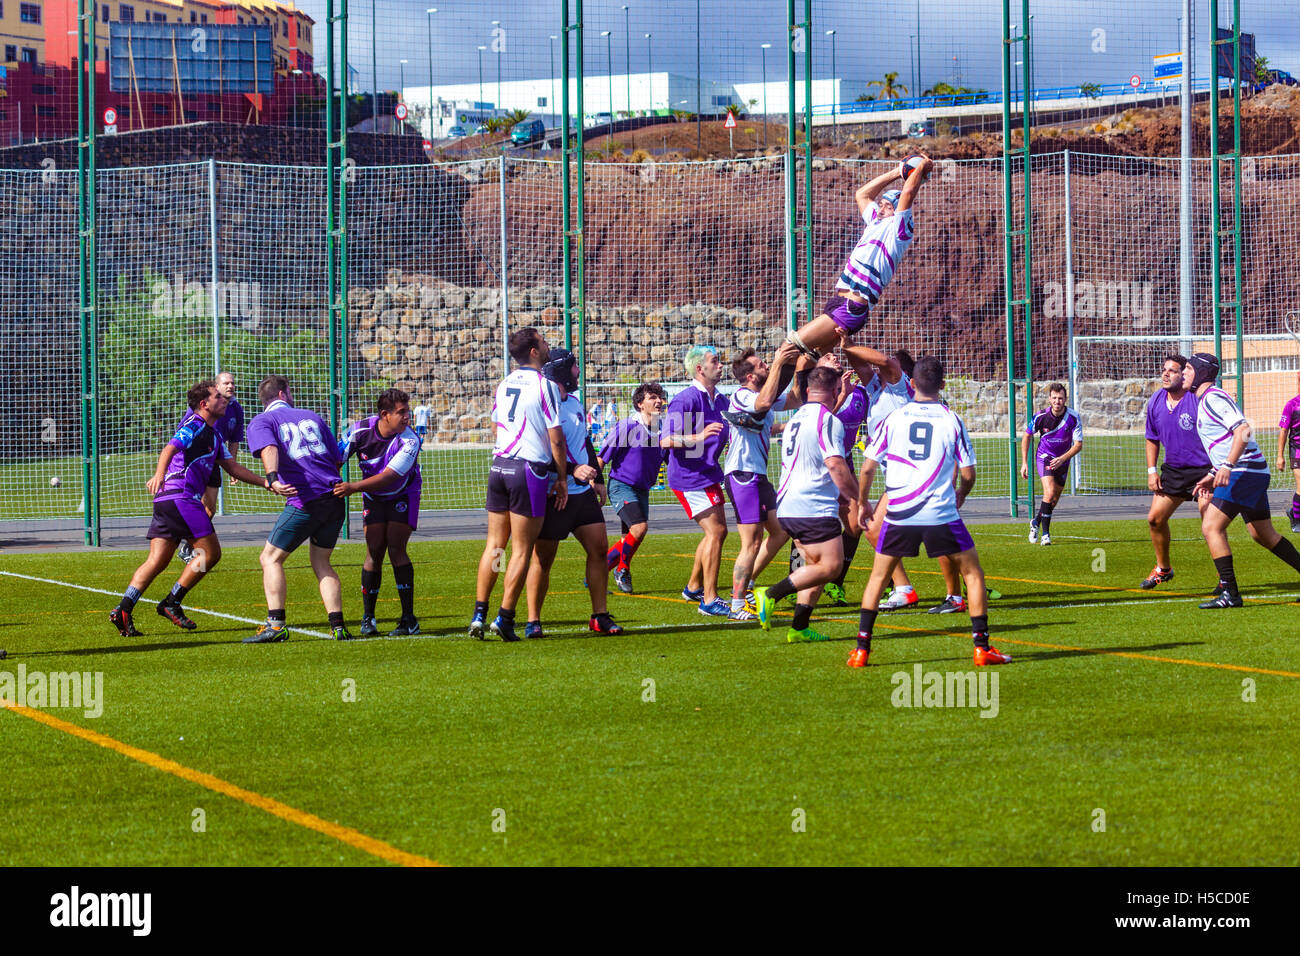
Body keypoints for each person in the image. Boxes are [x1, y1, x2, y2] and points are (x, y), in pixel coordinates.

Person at [850, 356, 1011, 668]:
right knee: (973, 574)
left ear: (911, 384)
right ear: (943, 385)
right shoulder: (952, 420)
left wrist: (863, 503)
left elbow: (868, 468)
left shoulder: (893, 419)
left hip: (900, 513)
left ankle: (861, 651)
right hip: (939, 513)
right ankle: (982, 648)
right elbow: (968, 473)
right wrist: (961, 494)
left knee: (878, 576)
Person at [109, 380, 284, 638]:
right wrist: (159, 474)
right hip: (182, 498)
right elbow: (170, 447)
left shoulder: (214, 435)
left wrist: (266, 482)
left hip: (166, 501)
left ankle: (124, 608)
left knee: (157, 560)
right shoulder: (195, 425)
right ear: (204, 404)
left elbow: (233, 468)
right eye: (217, 396)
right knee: (210, 554)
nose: (223, 398)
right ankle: (172, 601)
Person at [470, 327, 567, 642]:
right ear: (535, 351)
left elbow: (499, 424)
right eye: (544, 340)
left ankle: (479, 614)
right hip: (528, 471)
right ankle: (505, 617)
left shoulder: (505, 383)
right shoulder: (545, 386)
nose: (548, 343)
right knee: (523, 549)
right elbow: (556, 439)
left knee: (495, 546)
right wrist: (562, 477)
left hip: (499, 466)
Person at [785, 155, 932, 360]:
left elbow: (907, 193)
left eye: (887, 206)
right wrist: (898, 172)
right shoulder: (876, 222)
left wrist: (921, 165)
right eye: (880, 204)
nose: (880, 209)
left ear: (898, 211)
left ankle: (766, 392)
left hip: (852, 306)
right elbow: (862, 194)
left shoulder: (898, 232)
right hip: (839, 301)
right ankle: (794, 392)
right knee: (808, 360)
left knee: (791, 347)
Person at [1183, 354, 1300, 608]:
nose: (1184, 372)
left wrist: (1227, 466)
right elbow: (1225, 443)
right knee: (1263, 535)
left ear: (1202, 373)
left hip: (1244, 472)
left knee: (1211, 527)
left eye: (1189, 368)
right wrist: (1213, 474)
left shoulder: (1213, 397)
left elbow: (1243, 430)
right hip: (1250, 471)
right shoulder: (1204, 400)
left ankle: (1230, 594)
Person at [753, 366, 860, 643]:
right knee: (831, 567)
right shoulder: (828, 421)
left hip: (788, 504)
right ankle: (770, 594)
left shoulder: (797, 417)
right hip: (812, 506)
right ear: (836, 390)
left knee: (813, 568)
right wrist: (856, 497)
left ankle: (799, 627)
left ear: (809, 390)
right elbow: (835, 464)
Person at [244, 375, 353, 643]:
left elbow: (269, 447)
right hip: (334, 496)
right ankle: (338, 626)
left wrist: (271, 478)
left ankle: (276, 624)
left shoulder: (262, 421)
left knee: (270, 559)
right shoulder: (312, 416)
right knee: (321, 561)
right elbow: (336, 457)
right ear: (283, 393)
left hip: (305, 500)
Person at [525, 349, 625, 638]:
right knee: (543, 560)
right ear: (560, 371)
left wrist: (598, 478)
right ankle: (533, 620)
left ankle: (599, 615)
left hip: (582, 494)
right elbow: (541, 453)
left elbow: (585, 443)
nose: (578, 372)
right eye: (573, 367)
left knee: (598, 550)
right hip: (554, 493)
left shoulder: (576, 404)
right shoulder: (543, 405)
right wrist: (572, 471)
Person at [722, 343, 801, 620]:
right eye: (762, 365)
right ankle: (736, 604)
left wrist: (807, 362)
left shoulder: (761, 393)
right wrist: (780, 361)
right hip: (742, 474)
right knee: (751, 544)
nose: (767, 366)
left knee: (780, 532)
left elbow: (793, 400)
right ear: (751, 376)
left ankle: (748, 582)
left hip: (758, 475)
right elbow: (764, 403)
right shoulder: (742, 395)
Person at [335, 388, 423, 637]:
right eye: (401, 413)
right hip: (373, 496)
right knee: (374, 550)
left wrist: (351, 487)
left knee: (396, 548)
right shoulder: (359, 429)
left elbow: (390, 476)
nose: (407, 417)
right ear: (385, 415)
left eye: (408, 411)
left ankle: (408, 619)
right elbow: (337, 458)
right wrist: (330, 480)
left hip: (403, 494)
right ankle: (368, 618)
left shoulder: (410, 440)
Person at [660, 345, 731, 617]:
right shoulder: (685, 399)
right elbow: (665, 439)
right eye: (716, 361)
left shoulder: (722, 400)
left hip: (709, 474)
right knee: (717, 532)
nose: (721, 365)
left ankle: (693, 588)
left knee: (716, 532)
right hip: (689, 477)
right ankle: (709, 599)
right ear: (700, 369)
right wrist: (696, 438)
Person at [1141, 355, 1213, 589]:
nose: (1166, 374)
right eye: (1164, 370)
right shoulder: (1156, 400)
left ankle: (1225, 581)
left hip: (1204, 472)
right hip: (1173, 471)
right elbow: (1152, 438)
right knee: (1155, 519)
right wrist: (1152, 471)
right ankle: (1163, 569)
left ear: (1185, 375)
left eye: (1172, 371)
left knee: (1209, 526)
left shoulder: (1197, 400)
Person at [598, 382, 668, 594]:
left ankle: (596, 574)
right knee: (639, 528)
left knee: (630, 536)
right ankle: (622, 570)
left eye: (659, 397)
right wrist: (594, 484)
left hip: (642, 489)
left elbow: (669, 459)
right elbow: (602, 457)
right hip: (621, 486)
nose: (658, 401)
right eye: (652, 398)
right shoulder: (627, 426)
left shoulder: (661, 429)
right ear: (639, 404)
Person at [177, 370, 245, 564]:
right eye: (226, 383)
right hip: (197, 461)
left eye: (233, 383)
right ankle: (193, 547)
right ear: (217, 387)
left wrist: (232, 466)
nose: (231, 386)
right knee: (191, 506)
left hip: (217, 461)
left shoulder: (236, 409)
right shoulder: (203, 408)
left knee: (209, 509)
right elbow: (182, 435)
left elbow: (235, 439)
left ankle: (188, 548)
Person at [1020, 383, 1083, 546]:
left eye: (1060, 398)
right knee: (1049, 493)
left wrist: (1062, 459)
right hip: (1045, 458)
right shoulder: (1040, 417)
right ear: (1049, 399)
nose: (1057, 401)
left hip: (1063, 460)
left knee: (1053, 500)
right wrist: (1024, 463)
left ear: (1065, 399)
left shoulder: (1074, 417)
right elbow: (1026, 437)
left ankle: (1035, 522)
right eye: (1054, 398)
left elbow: (1078, 445)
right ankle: (1045, 535)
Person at [1275, 373, 1300, 533]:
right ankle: (1296, 520)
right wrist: (1280, 456)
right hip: (1297, 451)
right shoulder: (1292, 404)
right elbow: (1284, 431)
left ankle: (1293, 511)